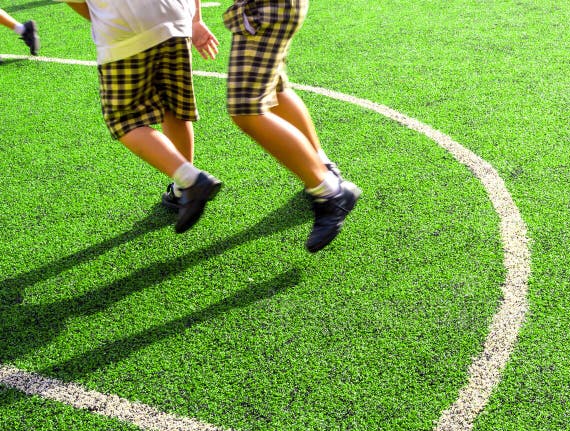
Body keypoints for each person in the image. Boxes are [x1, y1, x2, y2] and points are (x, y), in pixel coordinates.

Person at [58, 0, 222, 233]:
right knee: (172, 107)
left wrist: (103, 17)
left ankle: (191, 180)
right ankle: (181, 190)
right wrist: (195, 19)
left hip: (125, 26)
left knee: (123, 120)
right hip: (176, 17)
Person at [222, 0, 360, 252]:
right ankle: (324, 168)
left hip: (266, 8)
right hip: (279, 6)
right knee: (276, 88)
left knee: (246, 109)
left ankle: (330, 194)